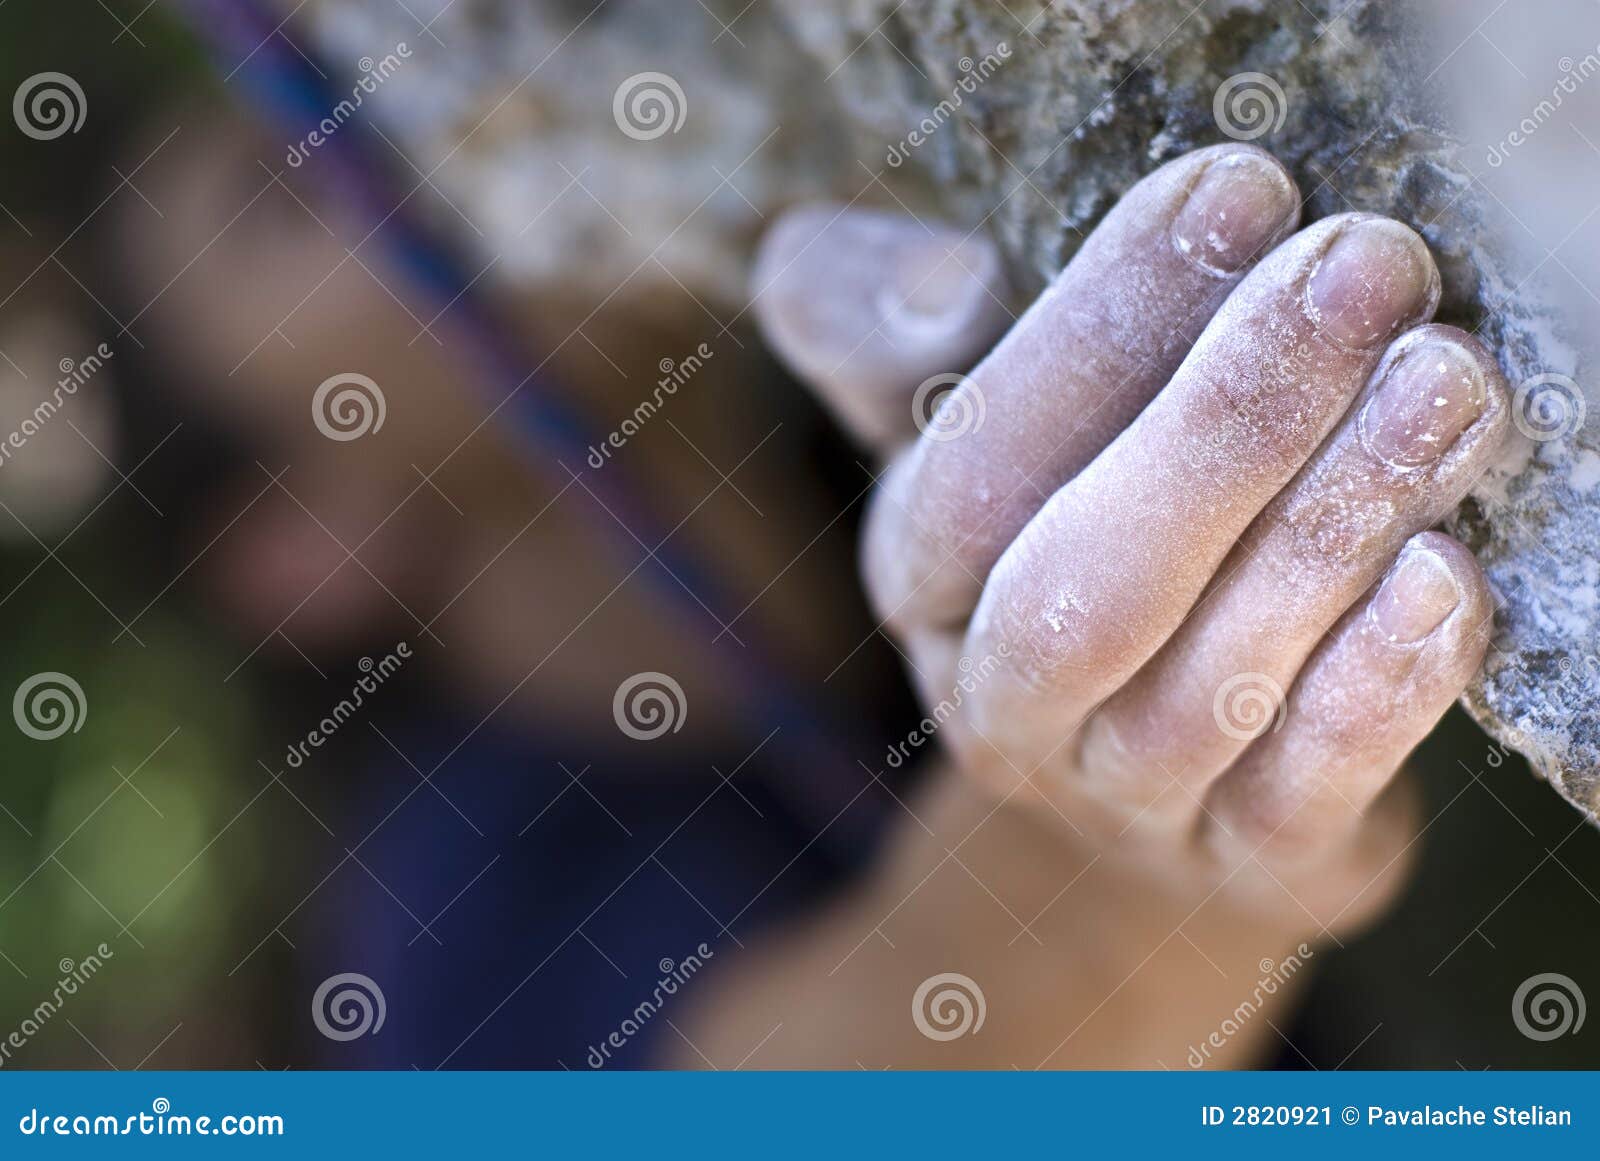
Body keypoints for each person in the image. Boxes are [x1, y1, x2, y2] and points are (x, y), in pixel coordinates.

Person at [118, 123, 1505, 1067]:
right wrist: (1124, 818)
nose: (402, 124)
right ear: (299, 541)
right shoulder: (451, 931)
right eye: (289, 196)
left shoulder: (875, 425)